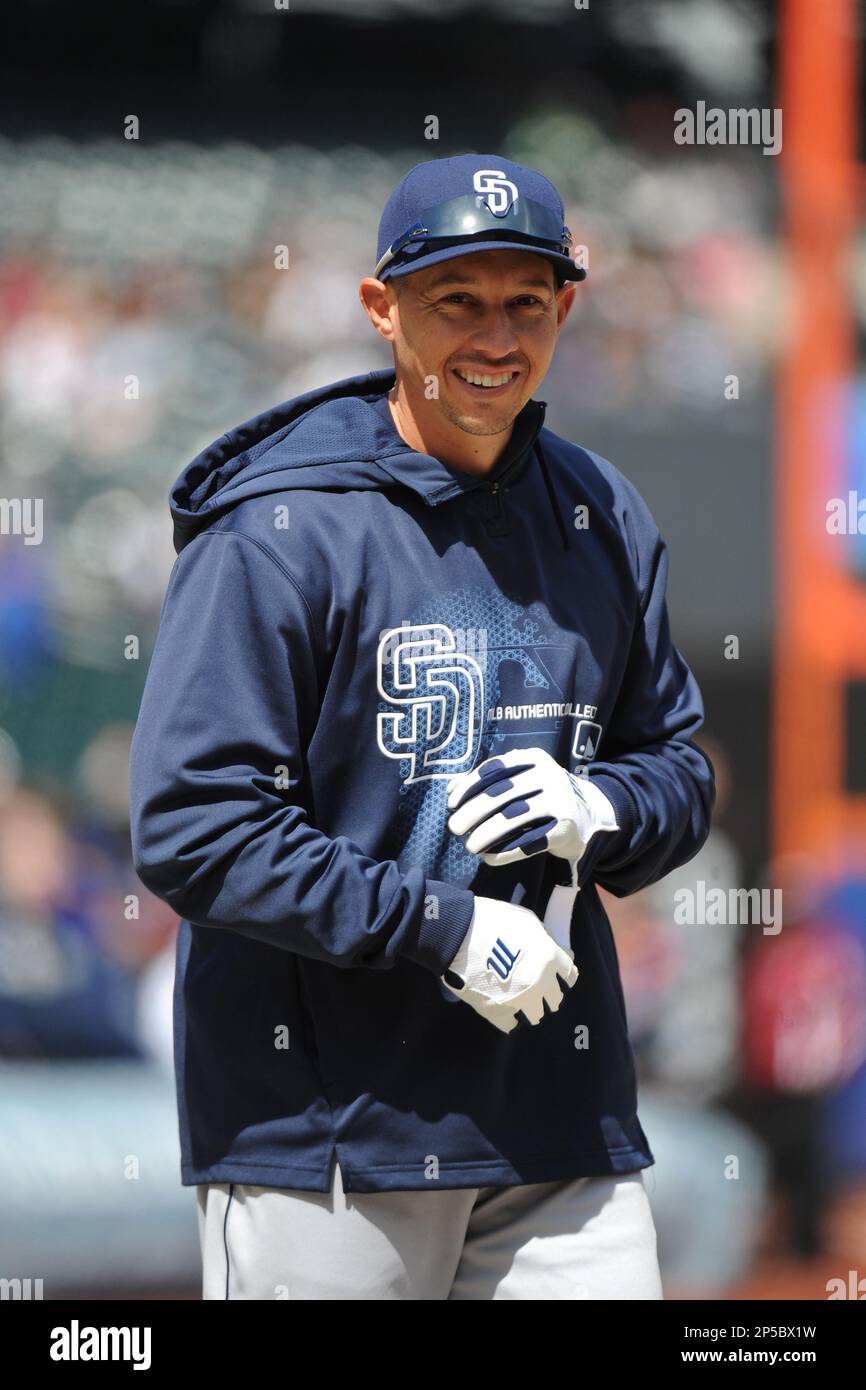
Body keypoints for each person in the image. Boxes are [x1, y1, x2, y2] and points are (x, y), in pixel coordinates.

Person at [129, 153, 715, 1300]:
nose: (494, 337)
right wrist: (440, 928)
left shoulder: (599, 512)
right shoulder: (280, 528)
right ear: (379, 308)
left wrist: (605, 806)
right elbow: (194, 826)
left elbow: (678, 765)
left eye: (524, 302)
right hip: (326, 1136)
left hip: (558, 1122)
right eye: (457, 301)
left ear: (567, 308)